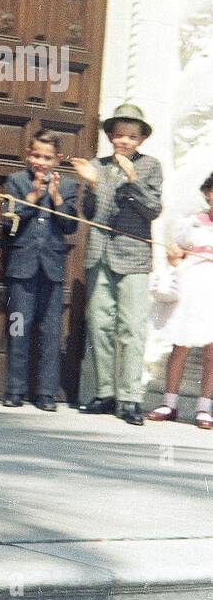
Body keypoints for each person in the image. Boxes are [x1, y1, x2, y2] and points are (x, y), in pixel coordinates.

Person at [69, 104, 164, 426]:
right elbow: (89, 212)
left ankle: (130, 399)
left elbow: (153, 210)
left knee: (131, 328)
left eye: (132, 137)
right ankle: (105, 393)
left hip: (134, 256)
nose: (125, 141)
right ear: (110, 136)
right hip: (100, 254)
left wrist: (132, 179)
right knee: (99, 325)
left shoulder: (150, 166)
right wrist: (93, 184)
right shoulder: (97, 165)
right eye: (120, 135)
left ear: (141, 139)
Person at [0, 129, 79, 411]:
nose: (41, 162)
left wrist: (56, 197)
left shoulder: (67, 186)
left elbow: (70, 226)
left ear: (57, 159)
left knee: (50, 332)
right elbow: (8, 223)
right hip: (22, 268)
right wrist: (32, 197)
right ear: (28, 155)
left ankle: (46, 393)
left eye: (47, 158)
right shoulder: (16, 181)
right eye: (36, 156)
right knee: (18, 327)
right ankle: (15, 390)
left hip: (51, 270)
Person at [146, 170, 213, 429]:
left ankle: (204, 407)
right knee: (181, 344)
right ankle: (169, 403)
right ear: (207, 194)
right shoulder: (191, 223)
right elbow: (175, 255)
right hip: (191, 287)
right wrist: (174, 256)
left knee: (211, 348)